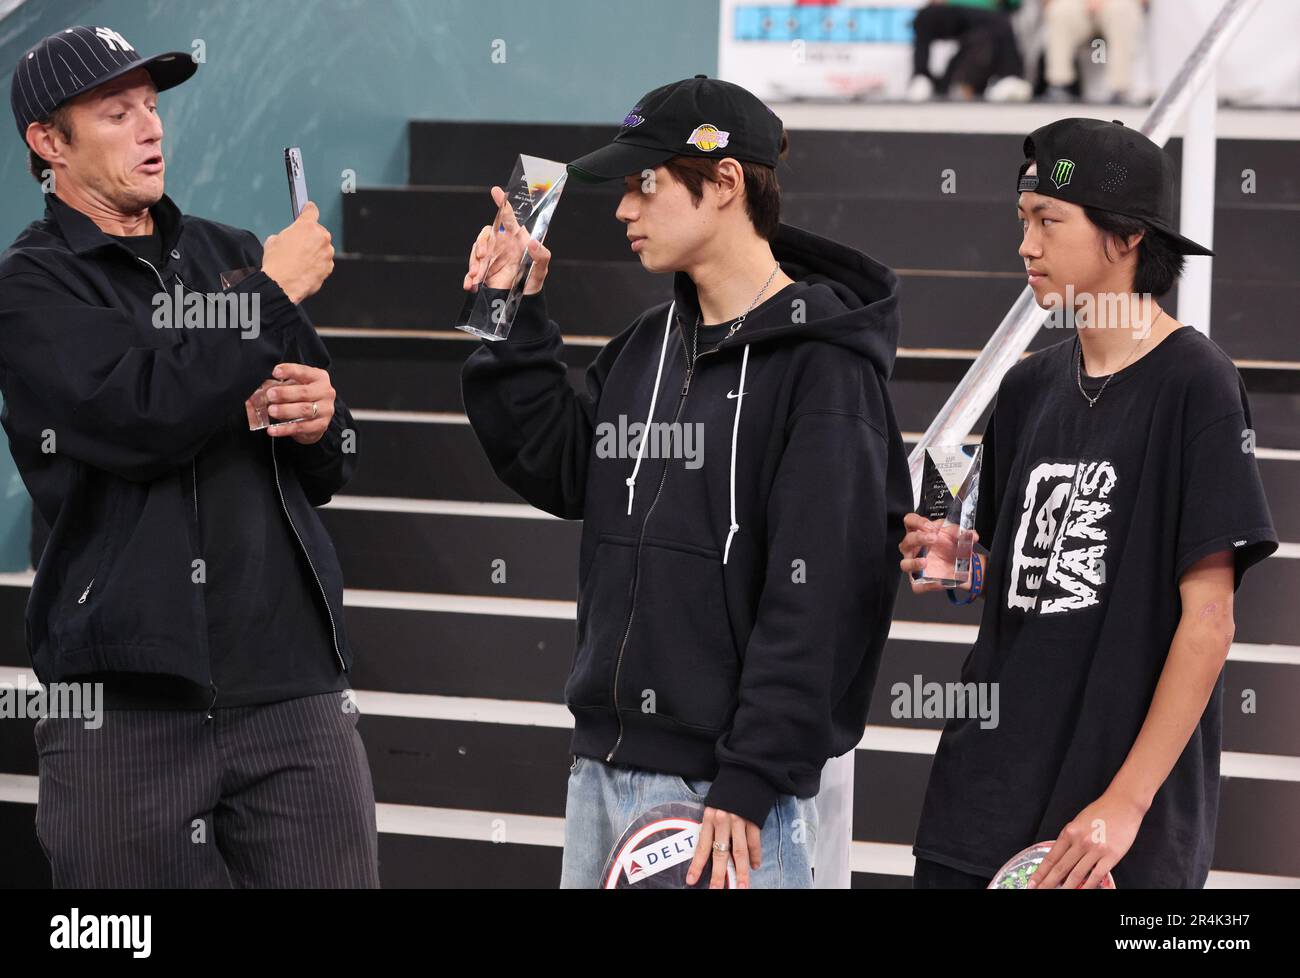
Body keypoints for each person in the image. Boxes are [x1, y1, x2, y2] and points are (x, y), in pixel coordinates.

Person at [460, 75, 911, 888]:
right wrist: (507, 312)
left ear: (727, 182)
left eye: (646, 184)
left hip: (730, 802)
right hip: (602, 768)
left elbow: (822, 595)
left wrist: (751, 775)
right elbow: (561, 466)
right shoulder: (649, 344)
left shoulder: (825, 368)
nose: (624, 210)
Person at [0, 26, 378, 887]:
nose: (151, 128)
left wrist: (323, 421)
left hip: (292, 694)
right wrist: (268, 298)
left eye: (152, 106)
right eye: (116, 111)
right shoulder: (29, 288)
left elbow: (335, 461)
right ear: (48, 143)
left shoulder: (233, 256)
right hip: (119, 711)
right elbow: (138, 416)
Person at [902, 118, 1277, 888]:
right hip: (981, 797)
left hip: (1114, 827)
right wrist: (962, 567)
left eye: (1048, 221)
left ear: (1126, 237)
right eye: (1023, 222)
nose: (1026, 247)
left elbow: (1209, 622)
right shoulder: (1029, 386)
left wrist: (1127, 802)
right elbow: (1019, 579)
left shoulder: (1196, 385)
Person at [906, 0, 1033, 102]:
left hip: (988, 12)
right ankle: (921, 76)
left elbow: (1014, 4)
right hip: (952, 8)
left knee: (1000, 24)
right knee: (924, 16)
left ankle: (1010, 76)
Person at [1043, 0, 1147, 104]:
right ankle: (1059, 85)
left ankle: (1120, 88)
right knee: (1061, 10)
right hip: (1078, 7)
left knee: (1122, 9)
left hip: (1115, 6)